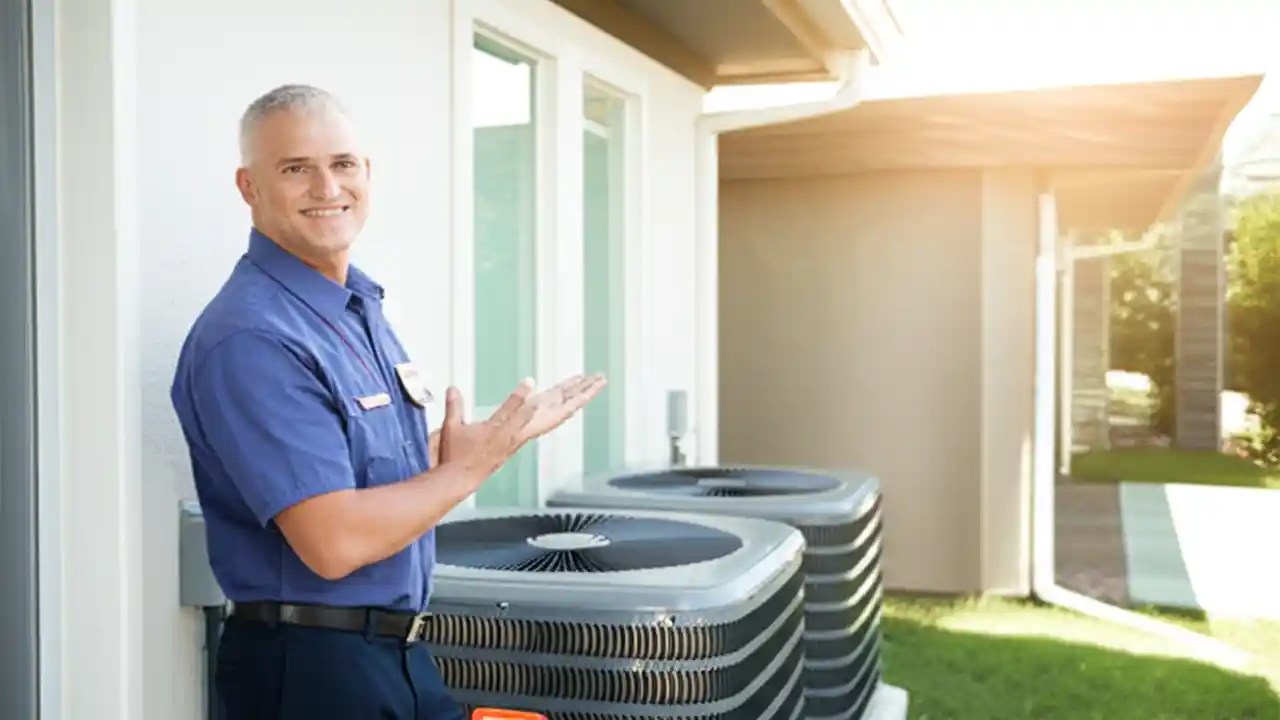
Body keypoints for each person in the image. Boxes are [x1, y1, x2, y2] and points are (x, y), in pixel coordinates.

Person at [170, 84, 605, 720]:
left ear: (367, 173)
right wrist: (469, 469)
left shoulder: (354, 309)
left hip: (391, 656)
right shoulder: (254, 337)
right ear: (249, 187)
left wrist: (490, 440)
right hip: (313, 673)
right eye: (296, 169)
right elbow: (333, 540)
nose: (327, 188)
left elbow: (359, 473)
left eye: (343, 164)